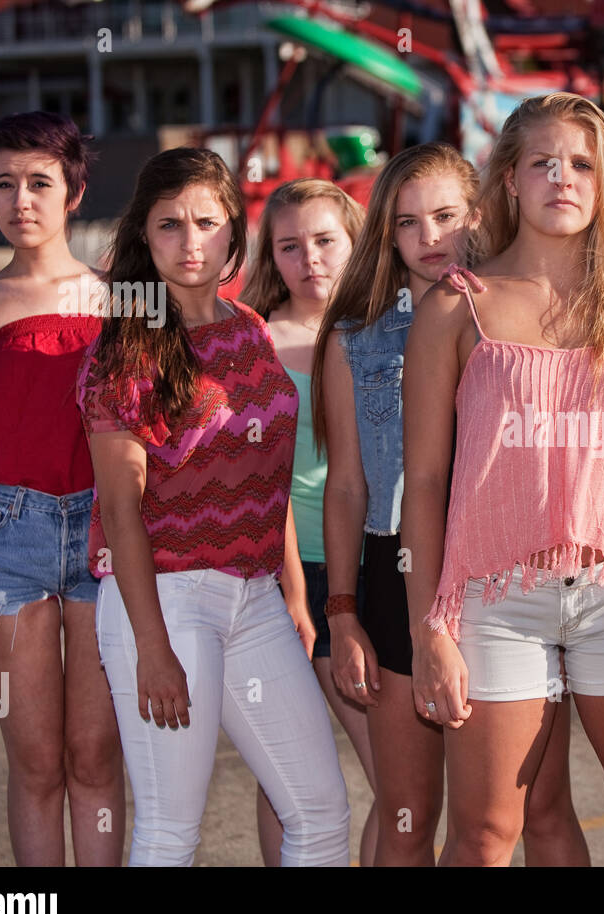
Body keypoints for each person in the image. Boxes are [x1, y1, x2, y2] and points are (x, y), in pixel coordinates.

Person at [403, 93, 604, 867]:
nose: (563, 178)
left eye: (582, 163)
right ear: (508, 180)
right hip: (495, 604)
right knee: (483, 837)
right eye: (542, 162)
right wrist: (429, 632)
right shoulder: (456, 307)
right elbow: (422, 483)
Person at [317, 141, 589, 865]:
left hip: (507, 574)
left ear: (481, 210)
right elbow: (345, 485)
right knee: (407, 814)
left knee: (542, 808)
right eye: (407, 223)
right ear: (387, 236)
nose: (429, 237)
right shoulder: (355, 340)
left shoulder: (524, 317)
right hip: (396, 568)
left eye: (445, 215)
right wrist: (342, 616)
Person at [77, 147, 349, 866]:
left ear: (234, 232)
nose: (190, 242)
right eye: (169, 225)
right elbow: (121, 511)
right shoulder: (123, 351)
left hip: (257, 598)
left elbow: (272, 473)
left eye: (206, 222)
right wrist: (153, 647)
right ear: (145, 237)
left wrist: (292, 590)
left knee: (321, 816)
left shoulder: (252, 328)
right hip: (165, 599)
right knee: (170, 832)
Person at [0, 111, 124, 866]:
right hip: (2, 545)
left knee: (97, 756)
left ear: (74, 191)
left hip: (107, 542)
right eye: (5, 184)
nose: (22, 201)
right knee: (37, 761)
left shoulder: (120, 301)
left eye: (40, 182)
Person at [239, 177, 377, 866]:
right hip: (288, 576)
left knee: (399, 780)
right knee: (285, 777)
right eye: (290, 246)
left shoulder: (384, 330)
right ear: (272, 256)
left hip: (377, 565)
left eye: (325, 240)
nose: (310, 258)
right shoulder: (254, 340)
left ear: (355, 242)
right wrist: (295, 591)